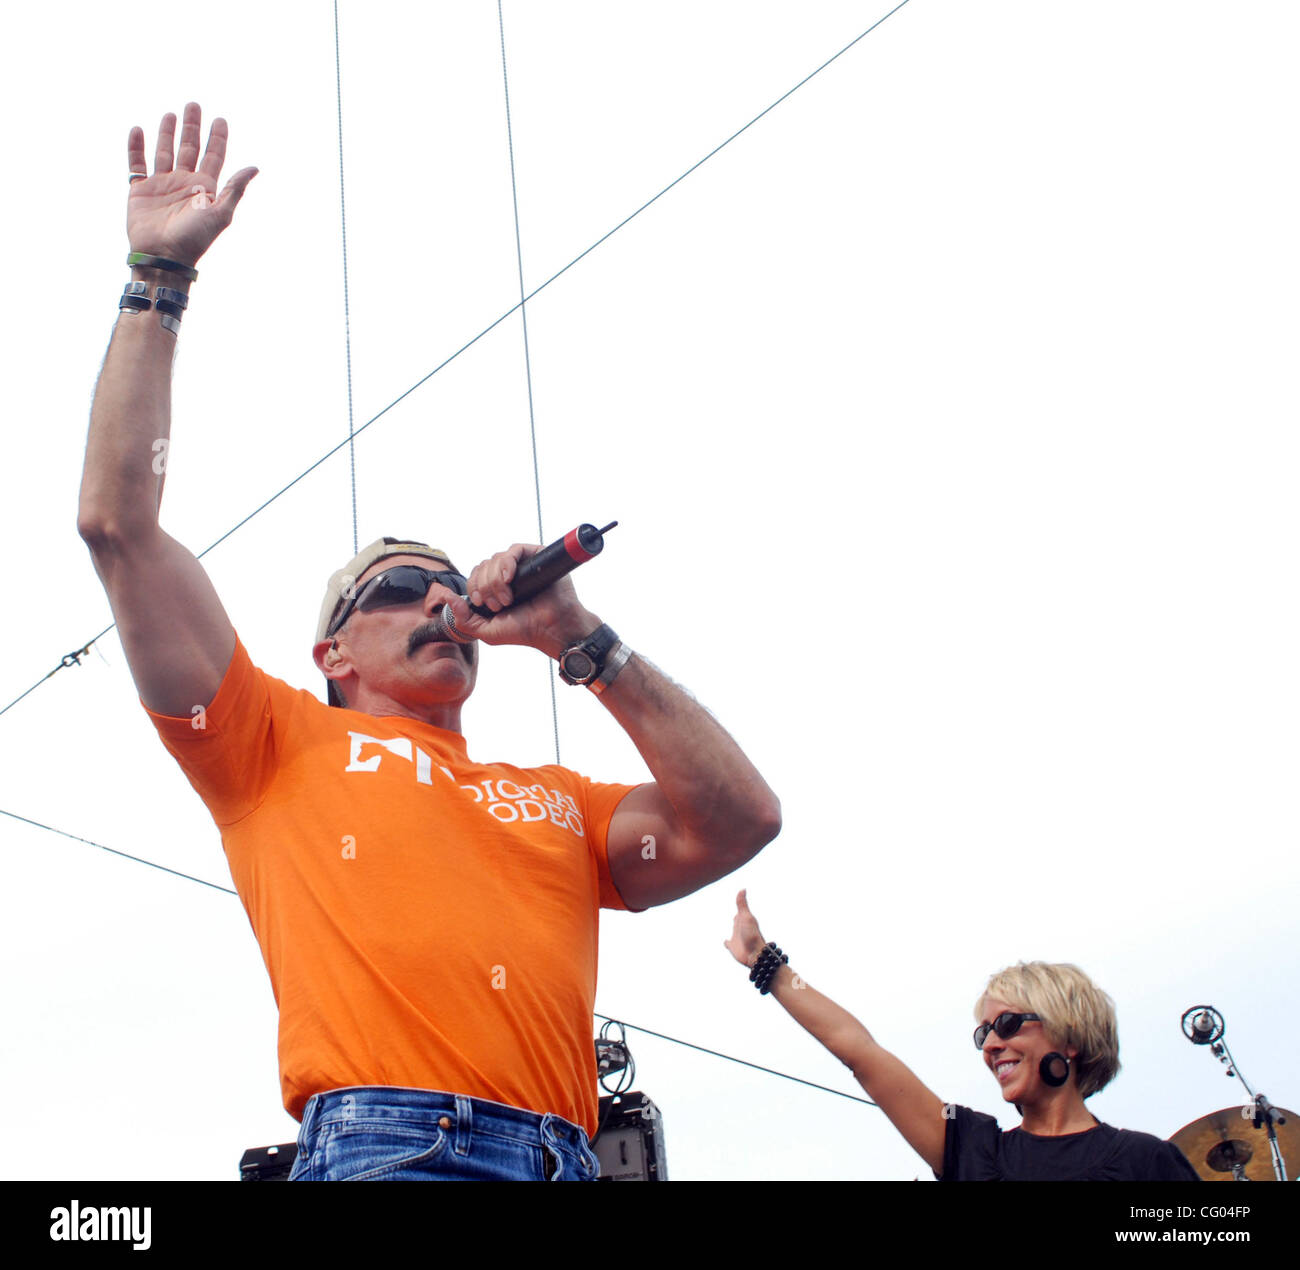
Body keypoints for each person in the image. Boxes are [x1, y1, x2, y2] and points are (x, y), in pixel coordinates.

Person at [78, 102, 781, 1182]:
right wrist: (157, 281)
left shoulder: (555, 800)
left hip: (568, 1158)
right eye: (401, 587)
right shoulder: (269, 746)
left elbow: (740, 818)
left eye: (452, 585)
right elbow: (118, 526)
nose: (440, 598)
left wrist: (578, 637)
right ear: (333, 654)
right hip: (393, 1145)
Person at [724, 891, 1199, 1180]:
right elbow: (860, 1051)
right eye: (984, 1033)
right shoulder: (975, 1152)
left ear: (1069, 1038)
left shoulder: (1147, 1162)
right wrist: (770, 965)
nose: (992, 1045)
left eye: (1010, 1024)